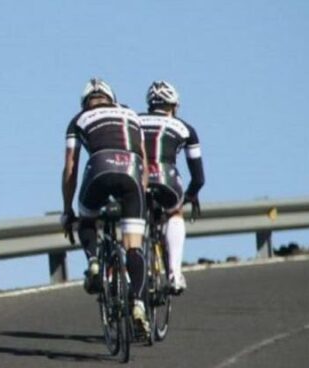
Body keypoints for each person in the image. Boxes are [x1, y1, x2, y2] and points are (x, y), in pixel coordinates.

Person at [61, 78, 150, 333]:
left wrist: (67, 210)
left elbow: (71, 166)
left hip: (98, 170)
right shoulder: (132, 115)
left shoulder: (79, 119)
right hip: (132, 174)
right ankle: (139, 304)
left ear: (86, 102)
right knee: (134, 245)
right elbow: (142, 157)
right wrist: (140, 194)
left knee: (86, 217)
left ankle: (93, 262)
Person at [139, 80, 205, 294]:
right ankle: (174, 274)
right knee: (174, 214)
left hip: (137, 178)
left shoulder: (134, 120)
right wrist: (189, 197)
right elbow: (198, 178)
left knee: (132, 217)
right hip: (166, 178)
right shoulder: (186, 128)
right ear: (174, 106)